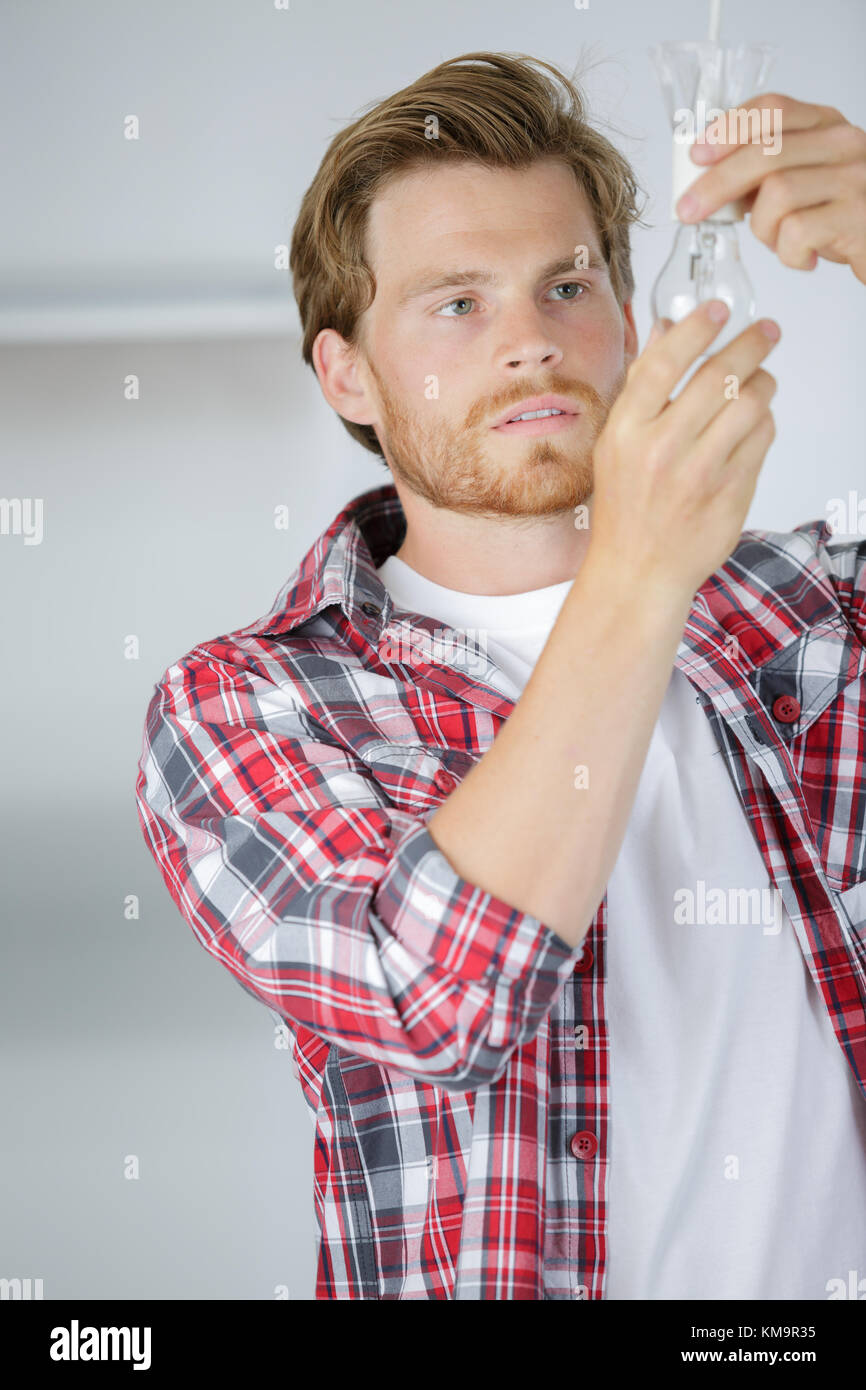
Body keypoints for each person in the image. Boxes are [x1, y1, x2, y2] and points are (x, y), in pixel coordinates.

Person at [135, 52, 866, 1299]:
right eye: (455, 304)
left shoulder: (804, 613)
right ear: (346, 374)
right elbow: (438, 1003)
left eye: (565, 284)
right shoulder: (246, 704)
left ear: (628, 324)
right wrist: (636, 569)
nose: (530, 342)